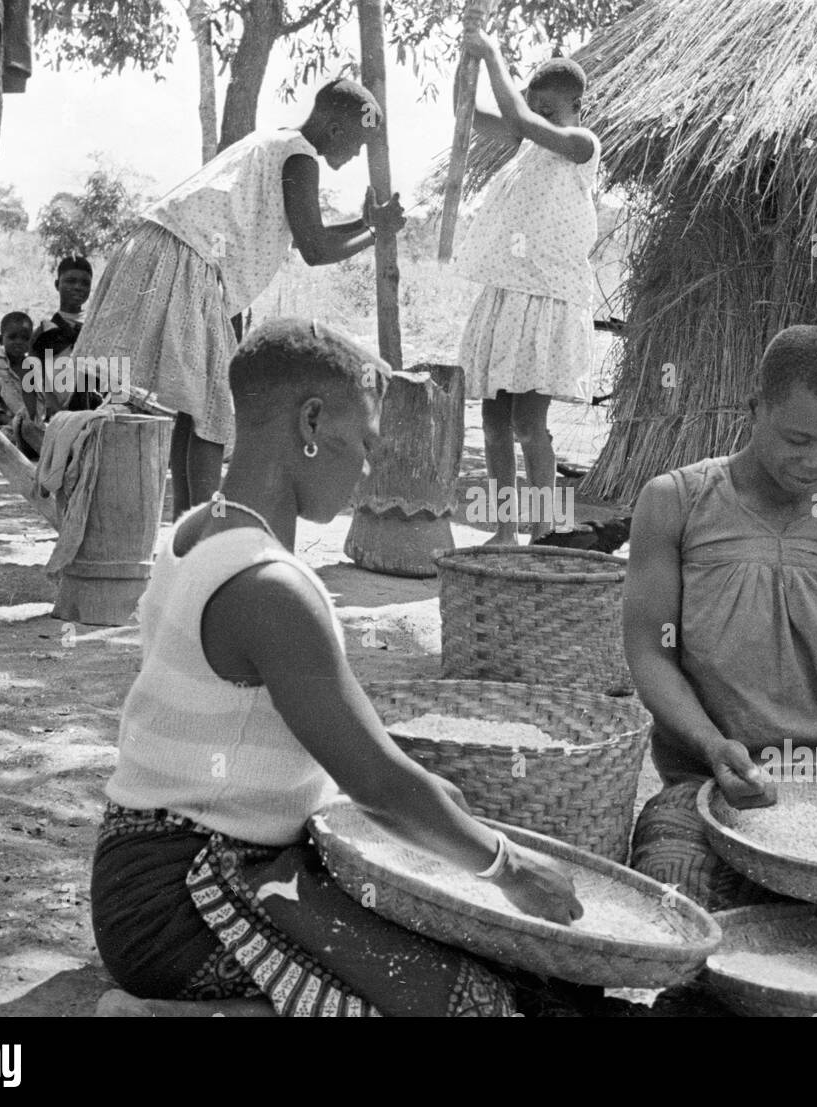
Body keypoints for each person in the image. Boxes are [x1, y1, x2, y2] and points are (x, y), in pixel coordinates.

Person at [91, 318, 590, 1018]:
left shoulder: (198, 527)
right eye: (364, 443)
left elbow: (363, 762)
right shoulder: (271, 588)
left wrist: (446, 811)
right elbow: (380, 785)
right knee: (470, 1004)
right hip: (182, 897)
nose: (366, 468)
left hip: (144, 860)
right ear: (313, 422)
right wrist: (506, 865)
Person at [623, 325, 817, 910]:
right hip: (721, 782)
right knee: (674, 885)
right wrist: (711, 744)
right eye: (797, 439)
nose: (816, 462)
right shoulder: (675, 502)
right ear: (754, 409)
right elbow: (650, 652)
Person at [74, 79, 406, 517]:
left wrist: (365, 226)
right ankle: (207, 527)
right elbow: (316, 250)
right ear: (334, 126)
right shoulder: (301, 156)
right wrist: (375, 233)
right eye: (358, 141)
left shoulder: (280, 143)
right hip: (186, 260)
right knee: (214, 410)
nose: (358, 154)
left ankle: (186, 523)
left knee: (197, 409)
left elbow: (313, 236)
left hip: (172, 249)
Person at [452, 33, 600, 543]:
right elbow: (465, 112)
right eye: (533, 106)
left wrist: (493, 53)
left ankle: (545, 531)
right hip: (508, 295)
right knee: (494, 423)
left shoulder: (582, 146)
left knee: (528, 425)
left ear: (575, 107)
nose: (536, 116)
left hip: (547, 300)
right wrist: (467, 59)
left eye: (547, 109)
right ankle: (504, 529)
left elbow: (517, 120)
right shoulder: (525, 149)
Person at [0, 311, 41, 460]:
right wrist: (13, 424)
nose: (19, 342)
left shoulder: (35, 368)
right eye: (12, 337)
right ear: (0, 339)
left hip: (35, 425)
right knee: (4, 440)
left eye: (25, 338)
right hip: (9, 426)